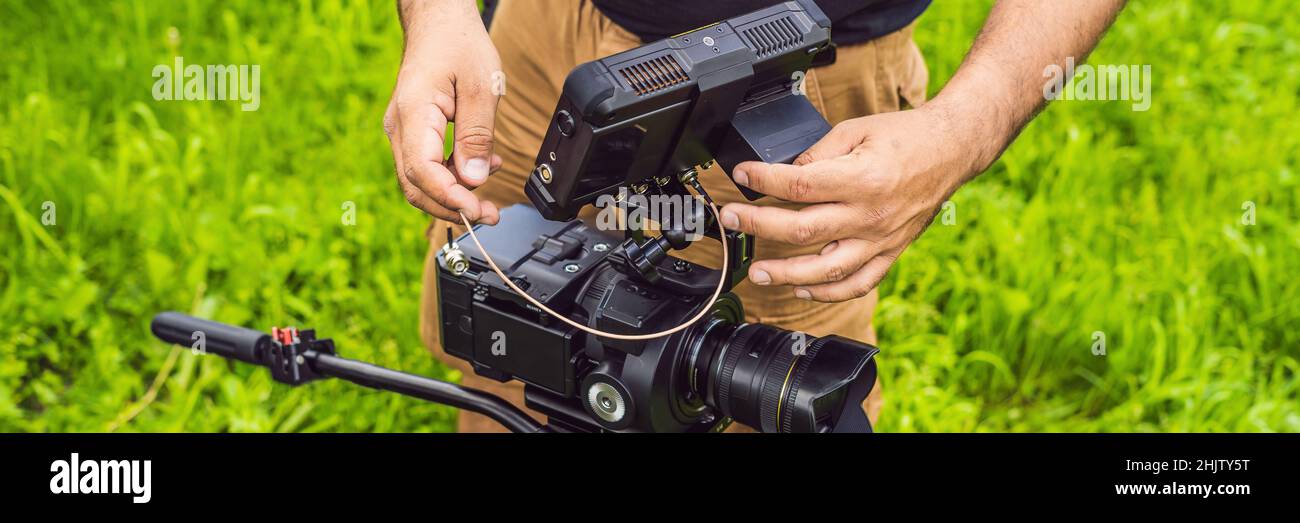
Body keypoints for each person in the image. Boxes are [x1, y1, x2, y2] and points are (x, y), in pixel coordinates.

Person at [384, 0, 1127, 432]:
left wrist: (968, 126)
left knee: (758, 396)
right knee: (510, 365)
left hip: (792, 96)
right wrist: (438, 14)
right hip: (536, 47)